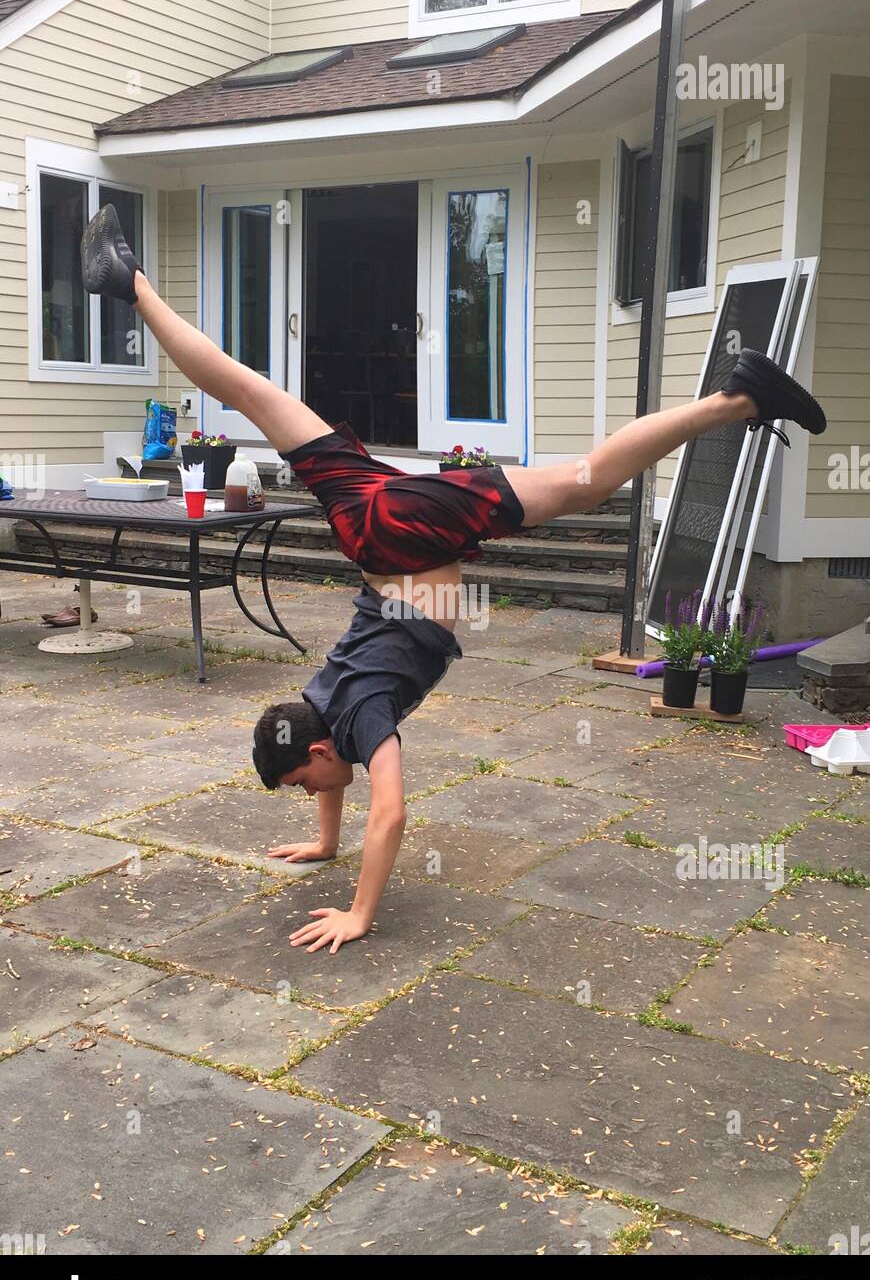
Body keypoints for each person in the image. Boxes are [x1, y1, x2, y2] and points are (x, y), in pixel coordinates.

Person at [81, 204, 826, 954]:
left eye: (307, 788)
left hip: (395, 532)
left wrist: (359, 915)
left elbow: (392, 813)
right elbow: (331, 775)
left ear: (315, 754)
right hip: (368, 521)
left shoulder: (362, 717)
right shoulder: (317, 706)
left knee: (584, 481)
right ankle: (131, 280)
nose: (316, 794)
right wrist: (325, 845)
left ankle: (740, 397)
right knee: (250, 394)